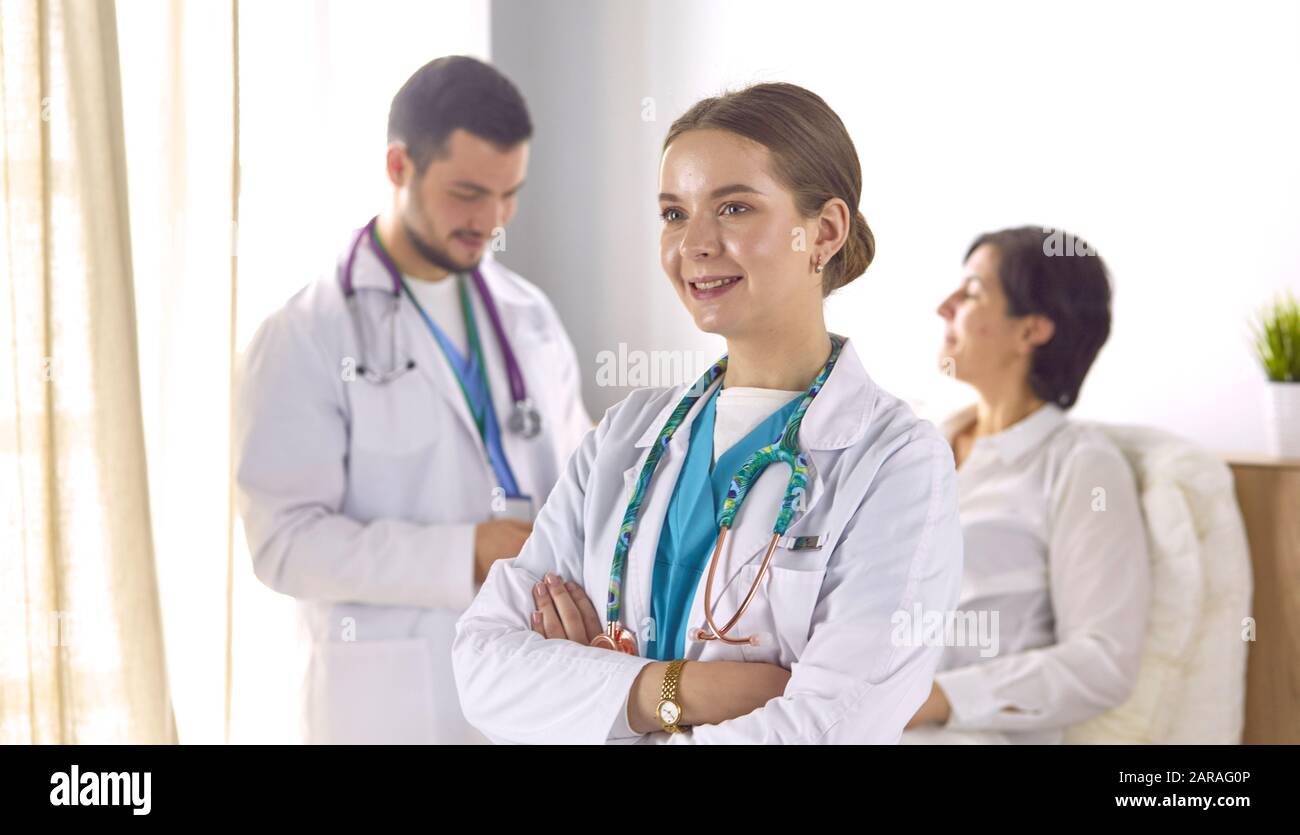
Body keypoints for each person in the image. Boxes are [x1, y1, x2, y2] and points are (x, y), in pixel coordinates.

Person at [452, 82, 964, 744]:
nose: (693, 243)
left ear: (824, 231)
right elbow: (481, 665)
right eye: (673, 213)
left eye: (733, 208)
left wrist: (595, 699)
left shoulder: (896, 461)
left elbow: (834, 725)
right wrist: (670, 692)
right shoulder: (625, 436)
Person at [235, 56, 591, 744]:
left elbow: (577, 472)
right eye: (467, 193)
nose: (492, 219)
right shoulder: (306, 334)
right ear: (399, 166)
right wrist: (466, 553)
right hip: (389, 706)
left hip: (531, 686)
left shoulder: (529, 316)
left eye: (509, 193)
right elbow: (283, 543)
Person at [903, 226, 1150, 744]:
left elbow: (1103, 661)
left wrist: (936, 699)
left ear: (1032, 330)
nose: (944, 307)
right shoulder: (913, 449)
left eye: (971, 292)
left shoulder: (1082, 467)